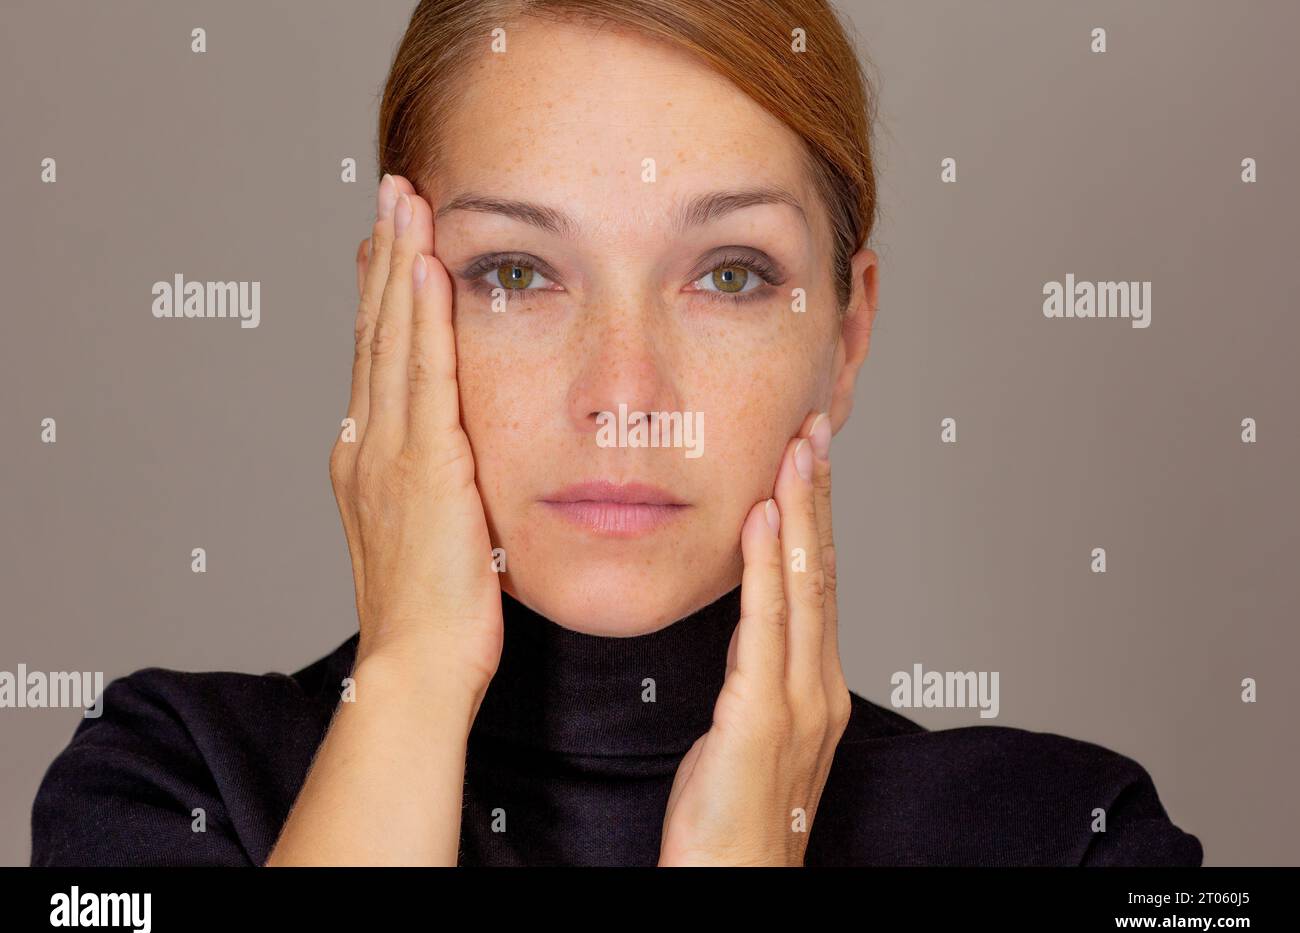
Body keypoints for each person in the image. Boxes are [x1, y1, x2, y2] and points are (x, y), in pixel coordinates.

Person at [30, 0, 1201, 866]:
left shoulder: (1076, 839)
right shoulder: (164, 780)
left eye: (730, 273)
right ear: (388, 314)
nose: (623, 390)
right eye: (517, 272)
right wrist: (408, 685)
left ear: (844, 337)